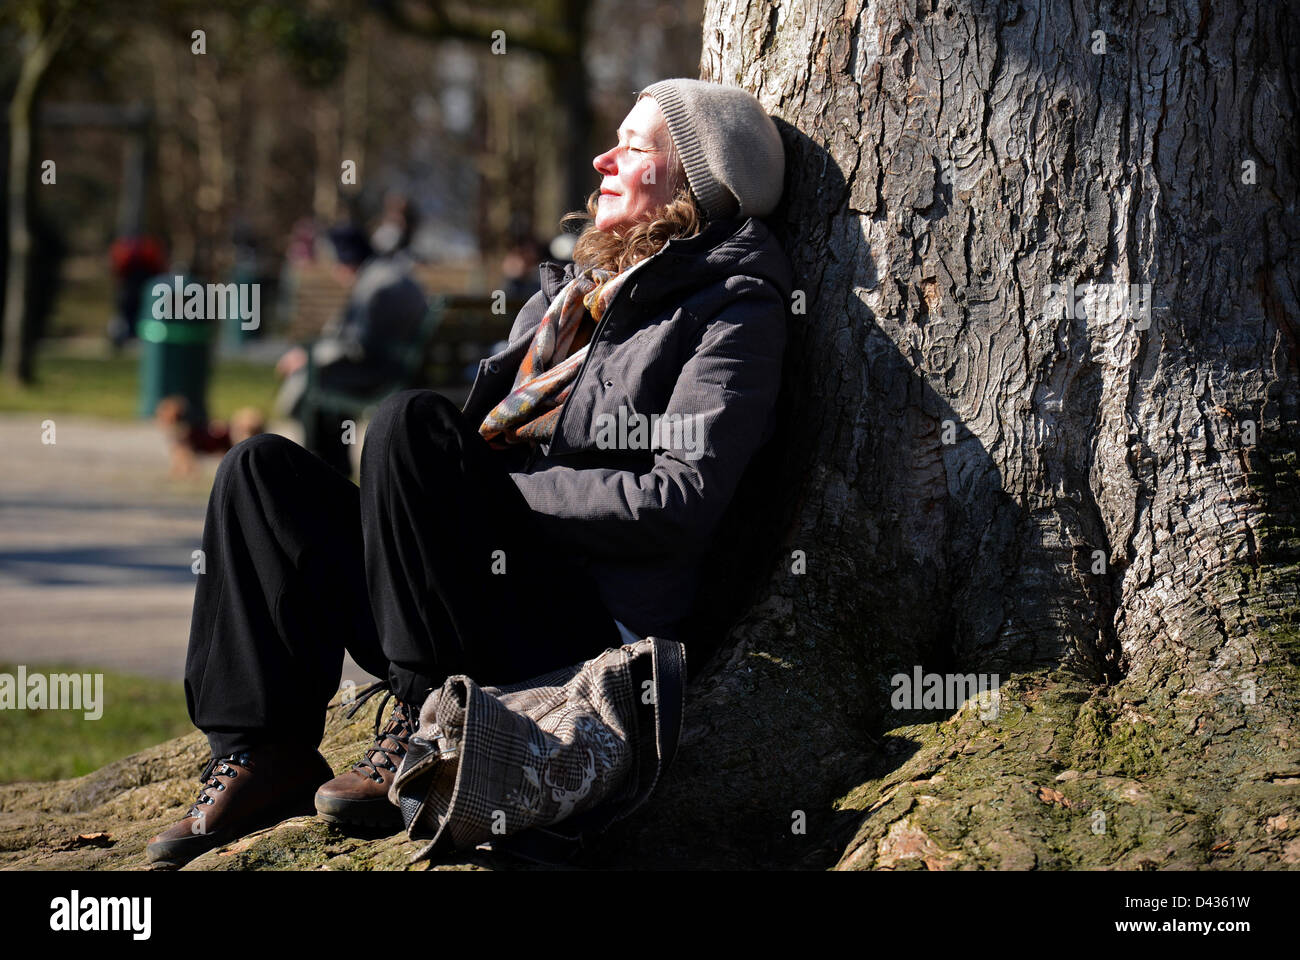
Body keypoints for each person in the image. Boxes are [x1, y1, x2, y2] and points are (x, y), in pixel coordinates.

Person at [147, 78, 792, 868]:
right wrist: (467, 498)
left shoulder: (735, 308)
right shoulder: (570, 299)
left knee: (409, 426)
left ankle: (429, 727)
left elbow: (681, 496)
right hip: (480, 595)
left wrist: (496, 499)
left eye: (632, 145)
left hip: (583, 624)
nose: (602, 158)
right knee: (261, 474)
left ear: (692, 178)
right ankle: (264, 750)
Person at [274, 216, 428, 477]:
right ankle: (333, 473)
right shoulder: (395, 276)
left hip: (382, 375)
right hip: (403, 370)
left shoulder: (375, 285)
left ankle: (325, 476)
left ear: (346, 257)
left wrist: (306, 357)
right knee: (320, 385)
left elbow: (354, 343)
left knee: (313, 388)